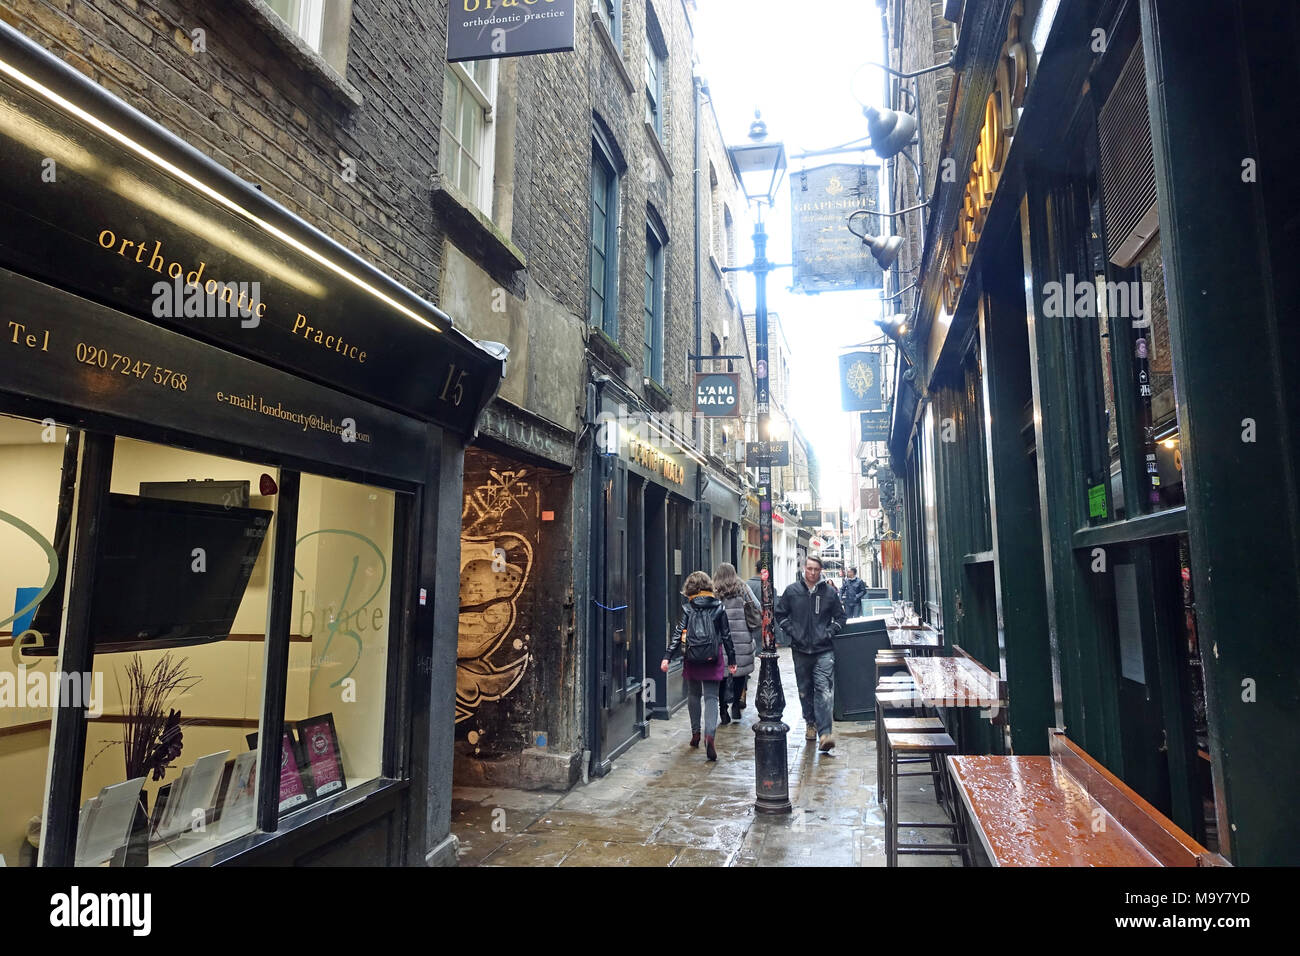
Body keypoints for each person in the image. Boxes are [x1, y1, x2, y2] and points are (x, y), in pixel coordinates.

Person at [661, 570, 737, 761]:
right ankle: (709, 734)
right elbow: (726, 636)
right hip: (713, 656)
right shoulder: (719, 607)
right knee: (711, 697)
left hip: (692, 656)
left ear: (690, 589)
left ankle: (695, 733)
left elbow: (679, 633)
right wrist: (733, 661)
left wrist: (667, 656)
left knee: (693, 694)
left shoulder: (688, 608)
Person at [774, 554, 846, 752]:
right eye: (810, 569)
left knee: (823, 690)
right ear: (804, 569)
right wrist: (792, 631)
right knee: (804, 690)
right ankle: (810, 723)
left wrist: (829, 632)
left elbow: (841, 617)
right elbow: (780, 614)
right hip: (800, 649)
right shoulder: (792, 591)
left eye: (816, 569)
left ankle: (825, 733)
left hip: (823, 649)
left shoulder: (829, 593)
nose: (813, 573)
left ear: (820, 570)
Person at [713, 562, 760, 722]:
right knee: (740, 674)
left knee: (722, 676)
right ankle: (735, 706)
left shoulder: (715, 590)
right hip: (741, 638)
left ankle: (723, 710)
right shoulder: (742, 587)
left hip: (721, 639)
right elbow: (757, 606)